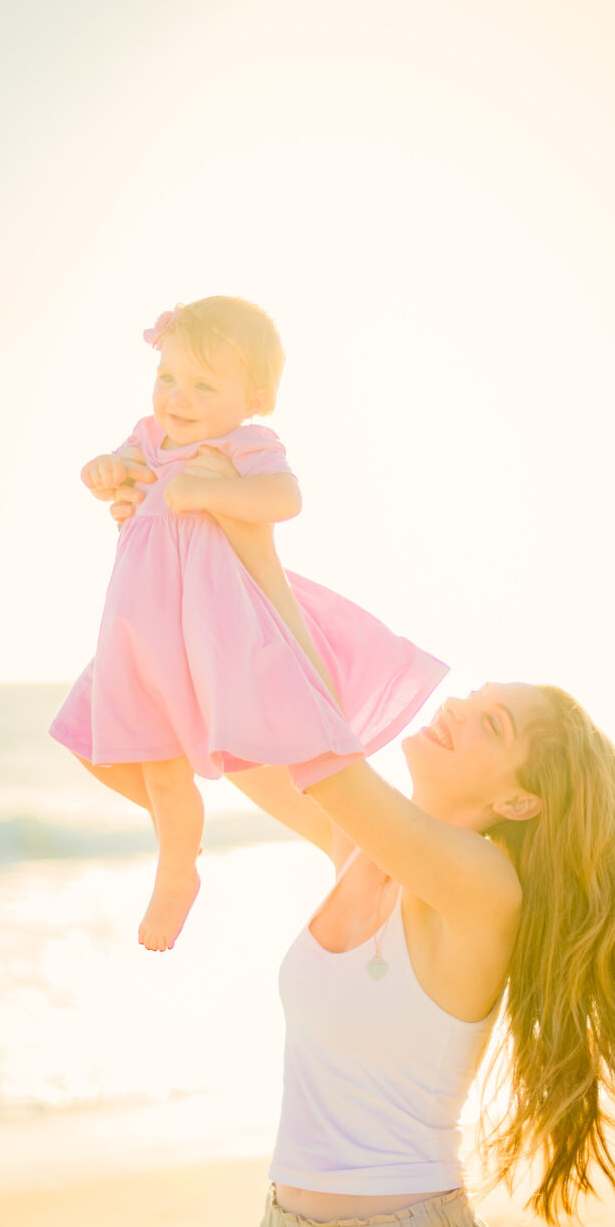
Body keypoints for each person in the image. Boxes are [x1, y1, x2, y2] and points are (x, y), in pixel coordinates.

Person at [96, 465, 615, 1227]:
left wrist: (247, 533)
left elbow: (317, 747)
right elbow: (227, 725)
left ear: (517, 802)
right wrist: (168, 535)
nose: (458, 707)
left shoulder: (480, 889)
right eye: (476, 697)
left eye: (492, 724)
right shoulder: (358, 849)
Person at [49, 296, 447, 952]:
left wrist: (208, 492)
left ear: (254, 397)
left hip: (214, 627)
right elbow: (114, 478)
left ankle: (178, 866)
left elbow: (284, 498)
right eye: (168, 377)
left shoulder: (244, 446)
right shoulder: (146, 439)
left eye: (204, 385)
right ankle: (182, 837)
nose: (178, 397)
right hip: (143, 630)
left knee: (233, 748)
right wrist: (104, 472)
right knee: (121, 747)